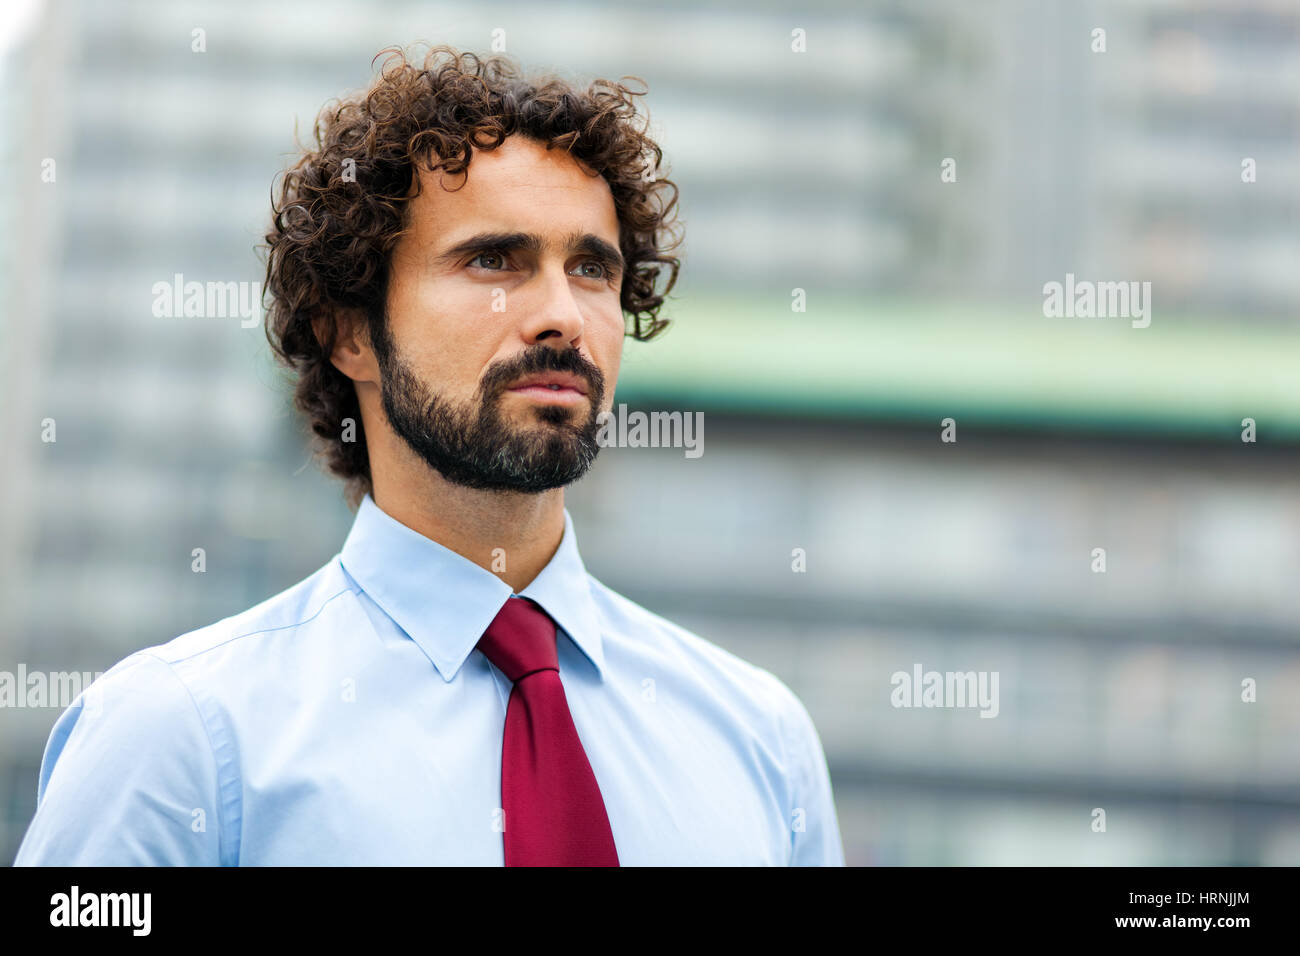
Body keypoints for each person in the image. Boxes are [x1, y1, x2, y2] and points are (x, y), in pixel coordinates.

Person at [15, 45, 844, 866]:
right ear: (348, 333)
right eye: (494, 261)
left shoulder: (762, 743)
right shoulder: (178, 741)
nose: (562, 314)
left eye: (592, 269)